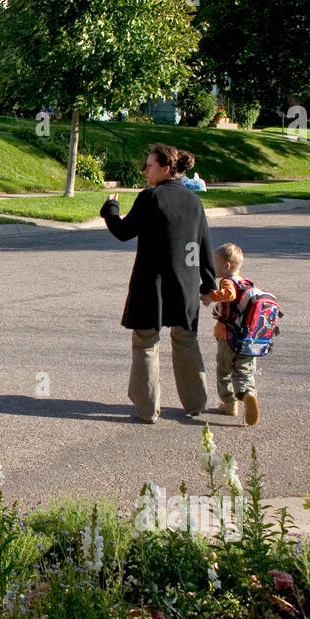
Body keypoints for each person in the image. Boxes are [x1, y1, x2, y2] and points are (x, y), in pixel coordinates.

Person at [101, 144, 218, 423]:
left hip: (151, 284)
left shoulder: (150, 197)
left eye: (150, 166)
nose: (145, 170)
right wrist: (208, 283)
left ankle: (147, 408)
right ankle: (195, 402)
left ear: (166, 169)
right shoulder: (194, 201)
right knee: (185, 340)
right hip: (186, 283)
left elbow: (123, 232)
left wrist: (111, 209)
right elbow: (203, 244)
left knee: (145, 343)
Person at [207, 243, 260, 425]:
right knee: (244, 370)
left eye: (216, 264)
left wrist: (211, 295)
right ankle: (248, 393)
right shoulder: (247, 283)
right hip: (247, 337)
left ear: (227, 266)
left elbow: (228, 295)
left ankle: (229, 404)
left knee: (224, 370)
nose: (213, 267)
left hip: (227, 336)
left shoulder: (227, 281)